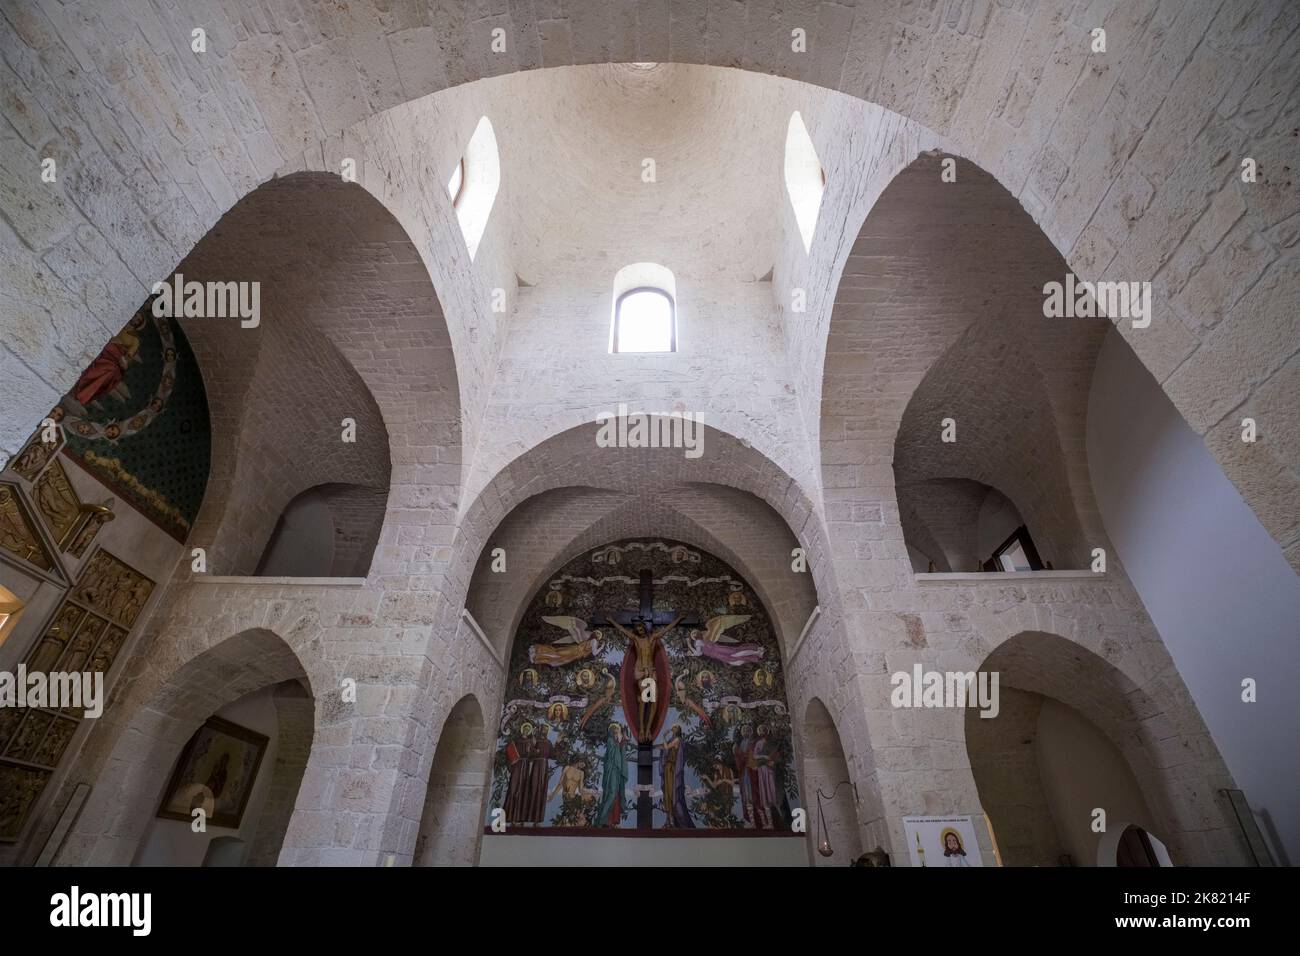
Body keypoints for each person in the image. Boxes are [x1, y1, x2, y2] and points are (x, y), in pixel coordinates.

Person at [594, 723, 634, 826]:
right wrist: (619, 743)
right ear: (612, 731)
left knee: (616, 794)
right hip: (612, 770)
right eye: (615, 730)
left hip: (617, 771)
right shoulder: (611, 741)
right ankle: (601, 820)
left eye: (618, 730)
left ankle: (611, 820)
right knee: (611, 793)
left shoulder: (618, 741)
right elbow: (612, 754)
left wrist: (623, 741)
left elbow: (622, 751)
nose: (617, 732)